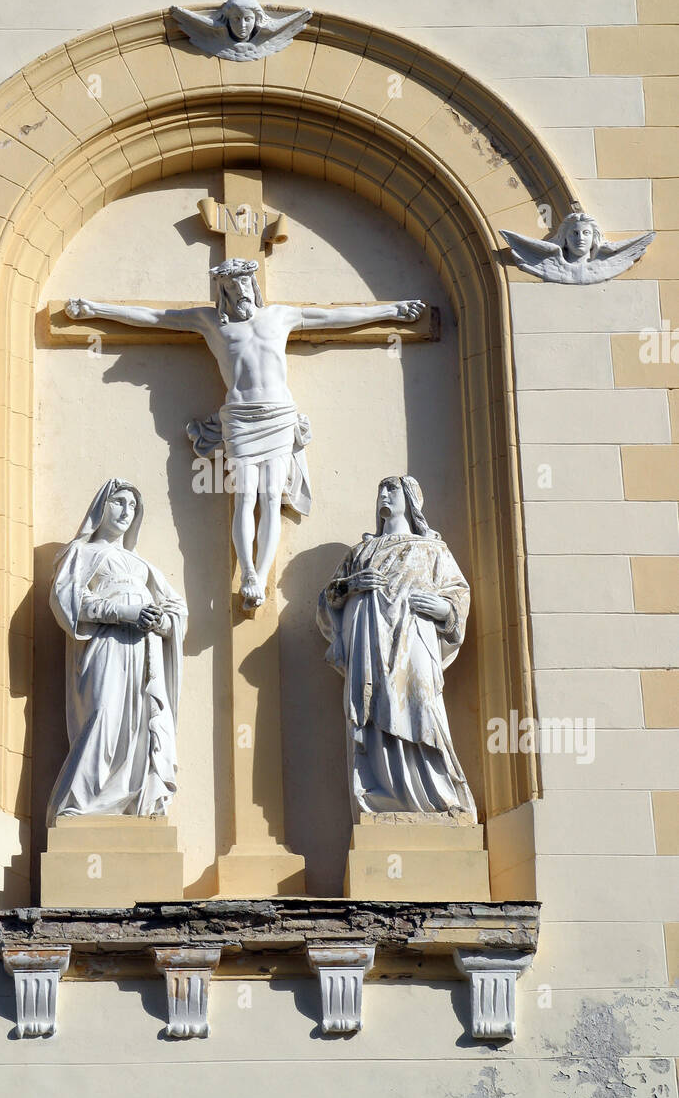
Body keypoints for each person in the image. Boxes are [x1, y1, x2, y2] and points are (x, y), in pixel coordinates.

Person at [66, 266, 424, 608]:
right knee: (244, 496)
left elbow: (333, 318)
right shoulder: (209, 321)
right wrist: (96, 309)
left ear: (254, 285)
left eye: (244, 284)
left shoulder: (279, 317)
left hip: (278, 416)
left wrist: (391, 311)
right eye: (231, 288)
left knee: (269, 496)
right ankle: (248, 573)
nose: (240, 292)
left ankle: (260, 573)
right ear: (222, 292)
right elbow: (155, 318)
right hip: (239, 418)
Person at [317, 474, 476, 819]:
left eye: (391, 489)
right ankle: (385, 794)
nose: (384, 495)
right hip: (370, 647)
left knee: (422, 706)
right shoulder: (360, 553)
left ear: (411, 499)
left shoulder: (432, 549)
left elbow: (457, 595)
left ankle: (435, 794)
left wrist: (444, 609)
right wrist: (350, 586)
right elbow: (329, 601)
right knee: (374, 714)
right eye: (380, 490)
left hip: (415, 640)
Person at [46, 478, 187, 824]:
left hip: (143, 649)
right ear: (101, 507)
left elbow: (177, 609)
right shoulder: (81, 553)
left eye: (133, 506)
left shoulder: (142, 566)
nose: (126, 511)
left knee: (140, 724)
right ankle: (77, 804)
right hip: (106, 647)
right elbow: (69, 601)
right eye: (119, 502)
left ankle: (131, 800)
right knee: (104, 716)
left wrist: (159, 622)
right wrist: (125, 613)